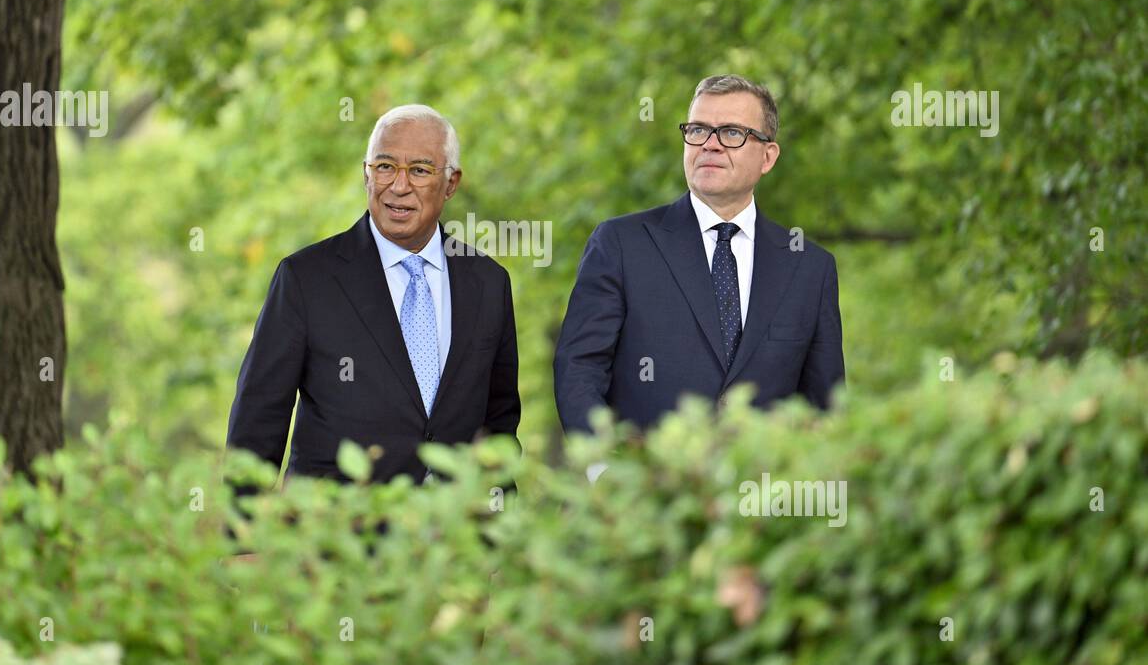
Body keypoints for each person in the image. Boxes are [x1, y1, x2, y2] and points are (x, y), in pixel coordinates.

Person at [227, 104, 520, 490]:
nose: (399, 186)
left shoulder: (488, 283)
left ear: (451, 183)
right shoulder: (306, 279)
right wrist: (244, 542)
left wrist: (502, 530)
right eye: (384, 167)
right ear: (366, 174)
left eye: (419, 170)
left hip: (455, 539)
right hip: (336, 538)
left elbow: (498, 427)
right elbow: (257, 422)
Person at [554, 74, 844, 438]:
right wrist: (604, 469)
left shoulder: (810, 268)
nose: (711, 145)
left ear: (768, 156)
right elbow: (579, 369)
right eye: (698, 130)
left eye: (732, 133)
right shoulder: (621, 244)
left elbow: (825, 407)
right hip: (646, 485)